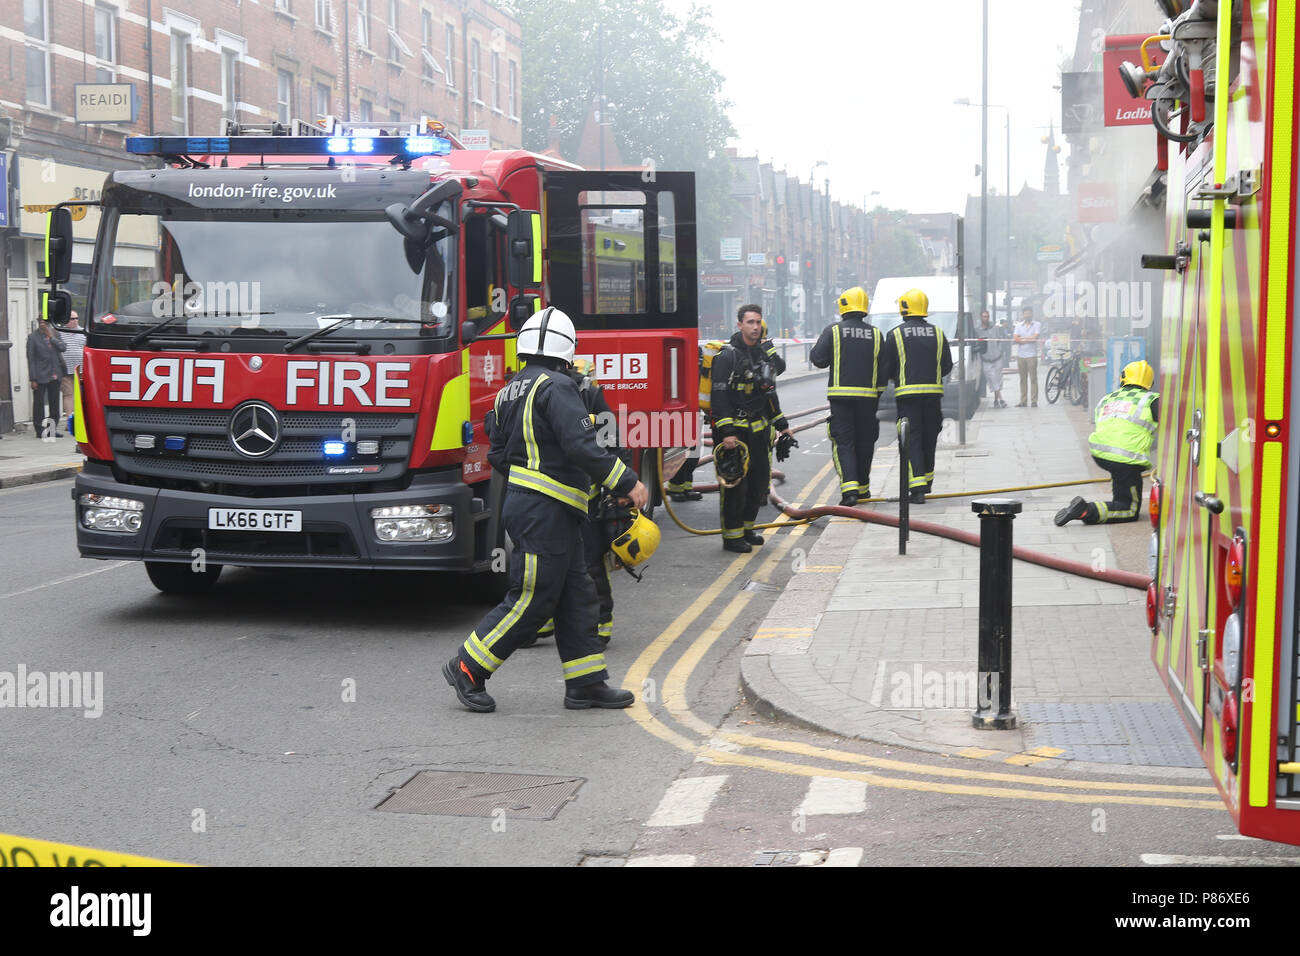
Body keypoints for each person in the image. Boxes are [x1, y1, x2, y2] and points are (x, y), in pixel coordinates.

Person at [443, 307, 649, 713]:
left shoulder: (509, 391)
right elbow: (580, 445)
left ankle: (585, 683)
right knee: (533, 597)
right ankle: (467, 667)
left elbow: (499, 453)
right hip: (545, 513)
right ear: (567, 349)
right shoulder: (559, 386)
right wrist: (627, 482)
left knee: (577, 594)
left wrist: (531, 480)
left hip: (539, 508)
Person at [710, 304, 792, 553]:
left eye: (758, 322)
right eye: (750, 322)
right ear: (740, 325)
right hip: (735, 433)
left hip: (758, 430)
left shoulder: (762, 354)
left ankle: (747, 529)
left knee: (758, 484)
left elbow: (769, 394)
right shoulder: (728, 356)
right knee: (736, 486)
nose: (755, 327)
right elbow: (719, 397)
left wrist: (782, 425)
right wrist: (727, 433)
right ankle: (732, 537)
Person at [1055, 360, 1159, 527]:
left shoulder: (1108, 398)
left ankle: (1113, 500)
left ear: (1123, 378)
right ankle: (1086, 510)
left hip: (1100, 453)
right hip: (1126, 459)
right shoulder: (1152, 400)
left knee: (1121, 480)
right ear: (1150, 382)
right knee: (1129, 510)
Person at [810, 286, 884, 506]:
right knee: (865, 442)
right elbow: (884, 369)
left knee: (844, 443)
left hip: (841, 400)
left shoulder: (833, 331)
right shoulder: (876, 334)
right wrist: (876, 396)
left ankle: (849, 491)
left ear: (843, 305)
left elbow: (818, 359)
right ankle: (863, 489)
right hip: (869, 401)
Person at [879, 288, 952, 504]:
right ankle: (926, 482)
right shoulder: (938, 333)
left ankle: (917, 488)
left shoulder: (895, 334)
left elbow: (887, 366)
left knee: (912, 440)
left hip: (907, 397)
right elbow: (947, 365)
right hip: (933, 397)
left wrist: (896, 378)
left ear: (904, 308)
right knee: (930, 438)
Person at [27, 318, 66, 442]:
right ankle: (40, 430)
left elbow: (62, 347)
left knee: (54, 404)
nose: (43, 324)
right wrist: (33, 378)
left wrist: (51, 336)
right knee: (39, 403)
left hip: (55, 374)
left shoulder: (55, 333)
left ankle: (51, 430)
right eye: (41, 322)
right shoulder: (33, 337)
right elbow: (31, 359)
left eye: (45, 322)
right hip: (40, 375)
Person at [972, 310, 1008, 408]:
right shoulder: (977, 330)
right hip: (986, 359)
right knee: (991, 378)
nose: (986, 318)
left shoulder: (995, 328)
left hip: (997, 357)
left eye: (987, 316)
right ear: (981, 317)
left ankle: (996, 400)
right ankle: (1001, 399)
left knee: (998, 378)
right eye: (984, 316)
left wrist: (1000, 351)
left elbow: (1000, 340)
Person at [58, 311, 86, 434]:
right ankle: (70, 421)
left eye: (76, 318)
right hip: (65, 369)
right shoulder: (60, 333)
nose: (74, 321)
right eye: (71, 319)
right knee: (68, 395)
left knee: (80, 395)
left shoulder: (83, 332)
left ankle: (80, 420)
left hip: (81, 369)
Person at [1012, 306, 1042, 407]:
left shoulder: (1037, 324)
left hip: (1032, 355)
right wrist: (1028, 339)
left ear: (1032, 314)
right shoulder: (1018, 325)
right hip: (1021, 355)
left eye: (1029, 313)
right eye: (1025, 313)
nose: (1027, 315)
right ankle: (1023, 401)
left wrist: (1022, 339)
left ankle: (1034, 401)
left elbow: (1035, 337)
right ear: (1023, 315)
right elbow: (1016, 338)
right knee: (1022, 379)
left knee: (1033, 378)